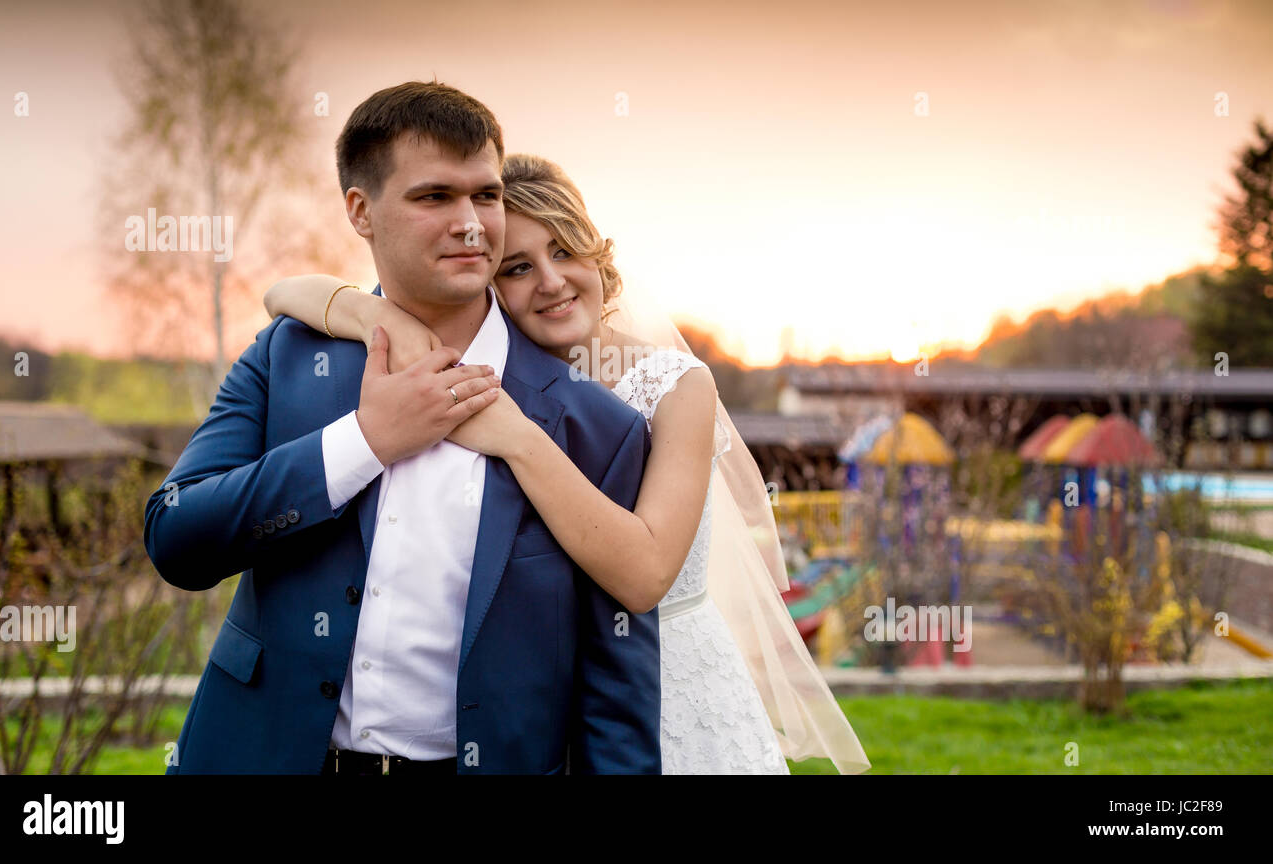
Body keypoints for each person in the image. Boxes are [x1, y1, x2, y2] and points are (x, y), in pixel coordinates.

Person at [265, 154, 870, 774]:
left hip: (675, 695)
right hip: (549, 700)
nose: (551, 282)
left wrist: (517, 440)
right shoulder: (497, 375)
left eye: (565, 251)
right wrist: (373, 314)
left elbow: (643, 575)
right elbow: (283, 292)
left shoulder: (674, 385)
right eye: (519, 268)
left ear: (597, 256)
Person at [144, 81, 662, 775]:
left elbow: (616, 693)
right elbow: (178, 539)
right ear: (360, 210)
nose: (472, 223)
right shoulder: (289, 357)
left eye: (486, 195)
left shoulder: (599, 427)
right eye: (434, 197)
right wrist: (365, 442)